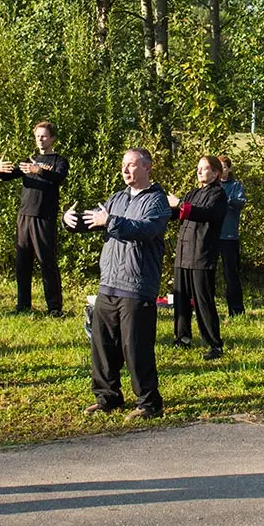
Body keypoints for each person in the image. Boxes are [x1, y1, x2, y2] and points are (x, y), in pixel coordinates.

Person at [64, 148, 170, 419]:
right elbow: (94, 222)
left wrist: (110, 221)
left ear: (147, 167)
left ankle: (149, 403)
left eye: (131, 165)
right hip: (108, 282)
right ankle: (107, 397)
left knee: (135, 347)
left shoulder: (156, 201)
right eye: (123, 165)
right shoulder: (117, 198)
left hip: (137, 284)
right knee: (102, 345)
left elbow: (146, 230)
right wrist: (70, 222)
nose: (125, 170)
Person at [0, 121, 70, 316]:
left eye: (44, 136)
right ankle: (23, 306)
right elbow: (8, 175)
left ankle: (54, 308)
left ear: (52, 138)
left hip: (44, 217)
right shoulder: (29, 159)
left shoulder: (58, 160)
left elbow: (59, 177)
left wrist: (40, 171)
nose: (40, 139)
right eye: (37, 136)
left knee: (47, 262)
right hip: (24, 216)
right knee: (22, 263)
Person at [168, 156, 229, 360]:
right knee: (180, 298)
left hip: (202, 253)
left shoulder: (219, 195)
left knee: (203, 300)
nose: (200, 172)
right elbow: (177, 214)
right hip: (184, 251)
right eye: (198, 168)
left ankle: (214, 343)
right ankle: (182, 337)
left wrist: (181, 205)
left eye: (205, 168)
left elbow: (207, 214)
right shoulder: (193, 192)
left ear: (216, 173)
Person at [218, 155, 247, 317]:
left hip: (229, 236)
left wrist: (225, 200)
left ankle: (236, 310)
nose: (221, 170)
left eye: (224, 166)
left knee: (231, 274)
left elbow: (240, 202)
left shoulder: (236, 186)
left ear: (229, 169)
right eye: (218, 167)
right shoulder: (210, 186)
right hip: (212, 236)